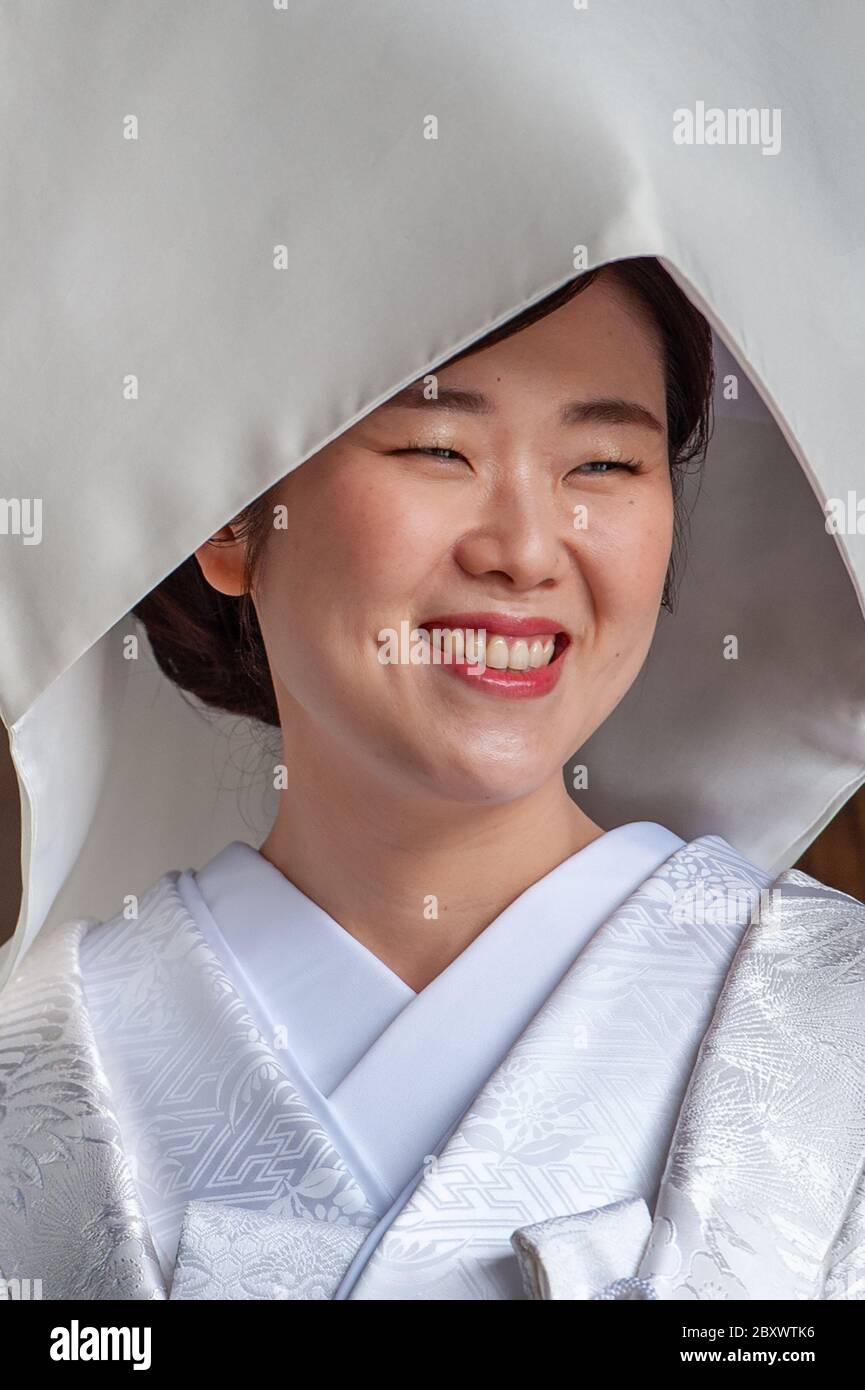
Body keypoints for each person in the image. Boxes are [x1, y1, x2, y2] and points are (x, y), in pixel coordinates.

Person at [2, 2, 865, 1304]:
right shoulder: (36, 1078)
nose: (525, 546)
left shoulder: (829, 1036)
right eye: (436, 449)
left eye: (603, 462)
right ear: (231, 520)